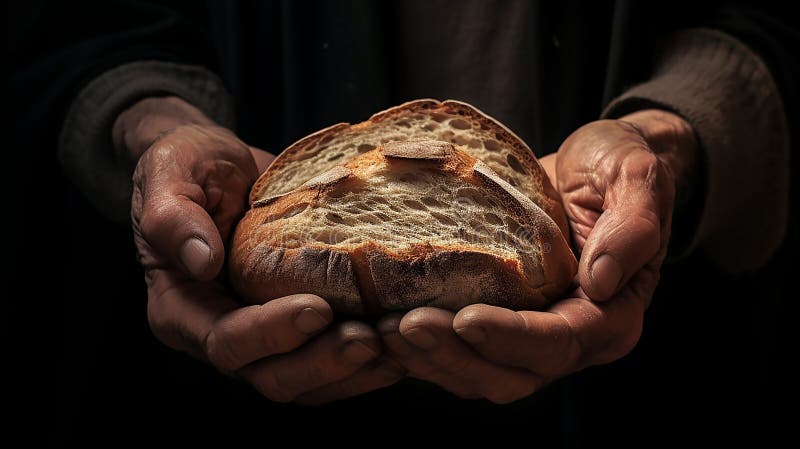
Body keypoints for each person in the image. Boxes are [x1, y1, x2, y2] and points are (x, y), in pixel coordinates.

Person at [6, 1, 798, 447]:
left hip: (647, 412)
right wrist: (151, 125)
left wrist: (668, 137)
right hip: (204, 431)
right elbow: (76, 27)